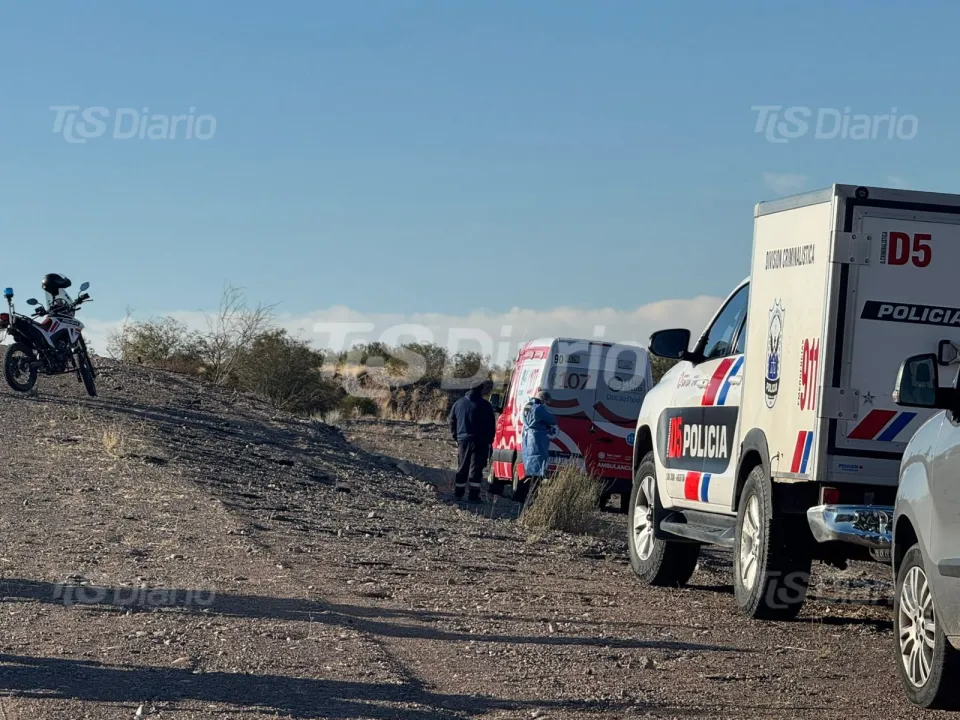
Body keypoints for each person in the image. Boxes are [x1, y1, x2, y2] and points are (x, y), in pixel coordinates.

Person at [447, 380, 496, 502]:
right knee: (476, 469)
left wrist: (456, 436)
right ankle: (473, 496)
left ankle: (458, 494)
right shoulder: (486, 405)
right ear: (481, 390)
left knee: (462, 467)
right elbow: (491, 424)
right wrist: (490, 439)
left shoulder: (459, 403)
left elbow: (452, 421)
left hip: (463, 440)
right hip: (481, 442)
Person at [516, 389, 557, 504]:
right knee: (537, 467)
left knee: (528, 466)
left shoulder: (527, 405)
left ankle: (519, 494)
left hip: (527, 437)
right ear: (543, 400)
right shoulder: (539, 408)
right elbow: (552, 420)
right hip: (536, 438)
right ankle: (529, 496)